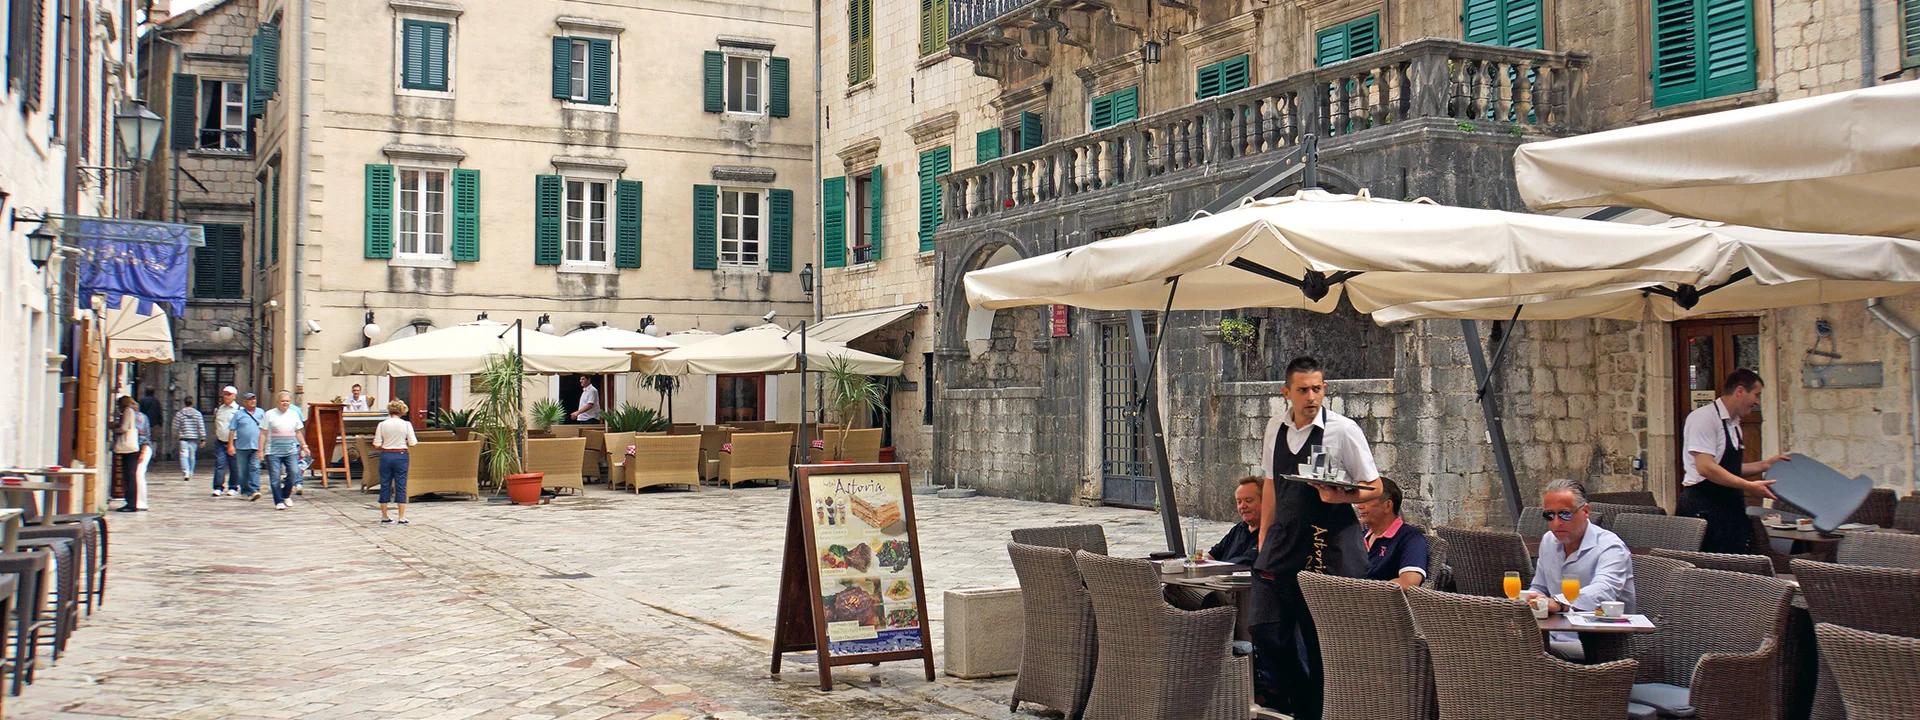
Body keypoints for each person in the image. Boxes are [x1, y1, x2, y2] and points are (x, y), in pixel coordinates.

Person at [1250, 356, 1382, 720]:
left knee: (1319, 643)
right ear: (1286, 392)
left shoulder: (1344, 430)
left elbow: (1375, 486)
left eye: (1317, 388)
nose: (1312, 396)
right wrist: (1263, 539)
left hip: (1329, 550)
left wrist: (1342, 496)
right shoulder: (1275, 427)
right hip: (1283, 546)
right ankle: (1300, 700)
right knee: (1264, 628)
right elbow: (1271, 486)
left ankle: (1313, 712)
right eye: (1303, 389)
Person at [1678, 368, 1789, 554]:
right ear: (1740, 391)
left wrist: (1765, 465)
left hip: (1730, 509)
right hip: (1704, 508)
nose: (1757, 402)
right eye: (1756, 395)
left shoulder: (1734, 423)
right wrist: (1749, 486)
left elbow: (1729, 469)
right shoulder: (1704, 418)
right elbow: (1706, 467)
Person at [1356, 477, 1429, 590]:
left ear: (1387, 506)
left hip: (1382, 605)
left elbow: (1409, 582)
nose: (1359, 506)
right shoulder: (1359, 536)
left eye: (1367, 500)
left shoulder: (1410, 538)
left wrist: (1366, 593)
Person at [262, 391, 310, 510]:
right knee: (275, 477)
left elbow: (298, 432)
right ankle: (278, 501)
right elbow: (263, 433)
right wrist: (260, 450)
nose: (285, 403)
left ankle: (286, 494)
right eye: (283, 401)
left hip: (290, 450)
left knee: (293, 472)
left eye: (287, 401)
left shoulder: (293, 414)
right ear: (277, 402)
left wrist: (304, 446)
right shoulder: (269, 414)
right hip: (272, 451)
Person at [375, 400, 418, 524]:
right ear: (402, 411)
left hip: (386, 455)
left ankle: (384, 515)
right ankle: (401, 516)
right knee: (401, 484)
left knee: (385, 484)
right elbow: (412, 442)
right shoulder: (406, 424)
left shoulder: (382, 424)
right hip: (401, 455)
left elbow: (376, 443)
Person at [1205, 476, 1264, 565]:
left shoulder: (1272, 533)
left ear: (1265, 501)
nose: (1242, 506)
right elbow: (1211, 555)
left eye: (1248, 501)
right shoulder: (1239, 528)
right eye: (1239, 502)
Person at [112, 396, 151, 512]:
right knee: (133, 475)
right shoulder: (140, 415)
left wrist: (114, 428)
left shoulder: (129, 411)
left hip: (133, 447)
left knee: (131, 475)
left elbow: (126, 428)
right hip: (138, 447)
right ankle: (136, 502)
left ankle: (132, 503)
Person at [228, 392, 266, 501]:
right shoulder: (238, 414)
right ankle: (245, 490)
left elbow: (265, 428)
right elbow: (232, 429)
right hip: (241, 446)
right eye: (250, 399)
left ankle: (254, 489)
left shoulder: (261, 412)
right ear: (245, 402)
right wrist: (231, 445)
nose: (252, 401)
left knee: (254, 467)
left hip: (256, 445)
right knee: (242, 470)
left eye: (254, 399)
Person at [210, 386, 239, 496]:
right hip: (220, 441)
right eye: (225, 394)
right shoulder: (219, 409)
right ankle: (218, 486)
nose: (226, 396)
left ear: (234, 396)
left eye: (229, 394)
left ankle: (233, 486)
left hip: (234, 441)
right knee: (219, 464)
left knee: (234, 465)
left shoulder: (238, 410)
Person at [173, 397, 206, 482]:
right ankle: (191, 472)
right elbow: (201, 426)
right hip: (194, 437)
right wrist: (203, 438)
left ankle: (186, 472)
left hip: (183, 437)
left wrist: (176, 433)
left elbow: (175, 426)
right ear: (192, 403)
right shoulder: (197, 414)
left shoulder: (180, 414)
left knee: (184, 456)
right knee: (192, 456)